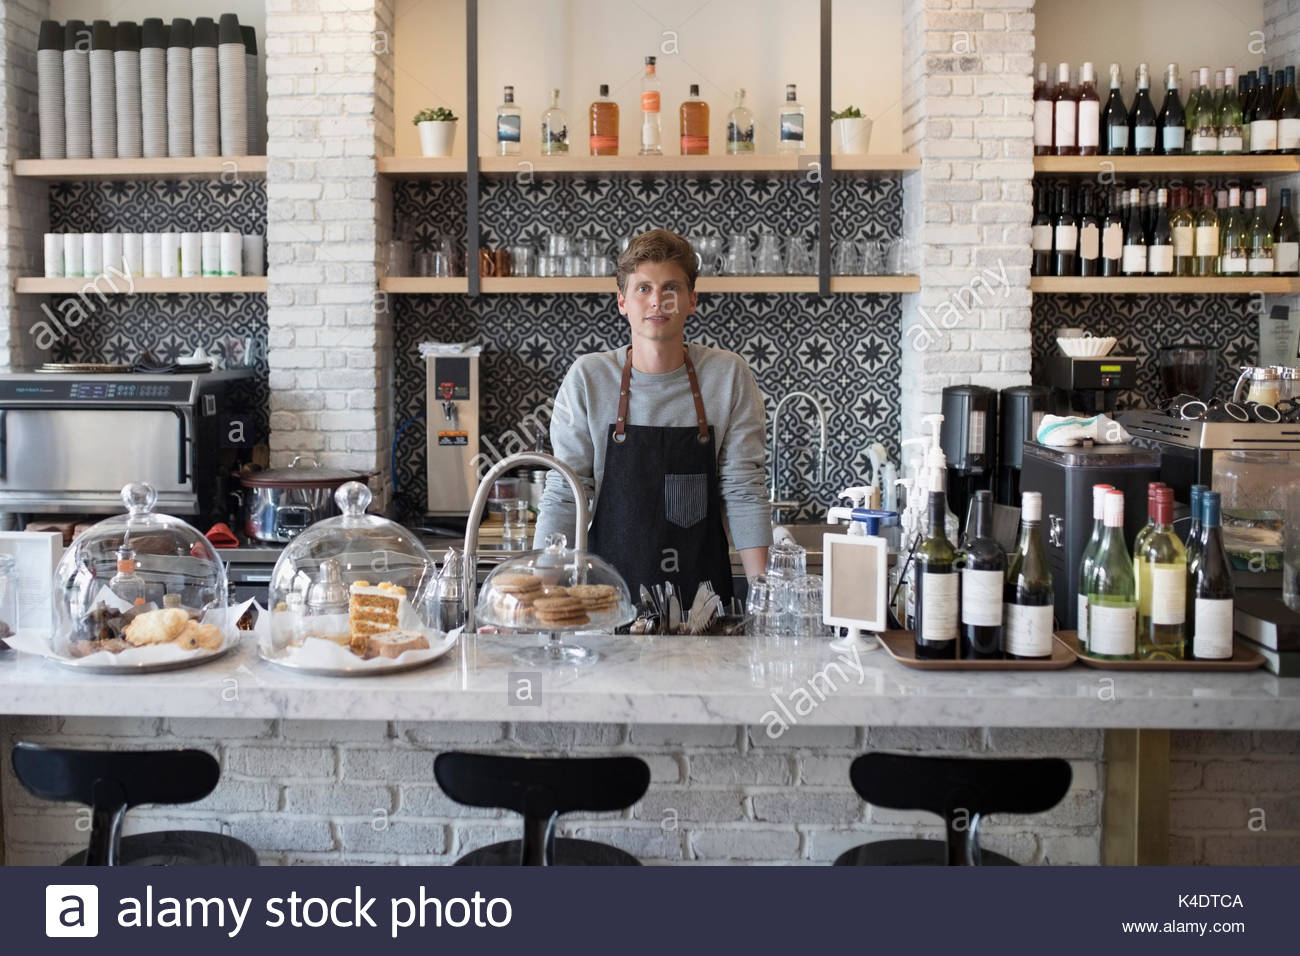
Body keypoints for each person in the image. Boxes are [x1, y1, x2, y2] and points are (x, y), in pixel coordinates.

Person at [534, 229, 770, 604]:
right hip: (607, 604)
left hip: (703, 607)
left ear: (691, 301)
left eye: (670, 288)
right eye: (643, 288)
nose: (657, 301)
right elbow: (566, 492)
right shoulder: (588, 378)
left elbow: (743, 490)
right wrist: (540, 595)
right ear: (622, 302)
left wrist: (765, 598)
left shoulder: (728, 376)